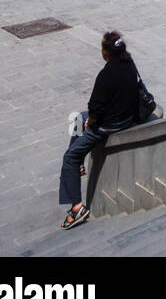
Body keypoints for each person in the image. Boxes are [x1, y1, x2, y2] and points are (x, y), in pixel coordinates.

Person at [59, 30, 141, 229]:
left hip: (110, 124)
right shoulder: (129, 64)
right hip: (129, 115)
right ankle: (80, 165)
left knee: (70, 155)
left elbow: (95, 109)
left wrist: (92, 122)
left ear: (106, 52)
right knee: (79, 117)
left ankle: (77, 208)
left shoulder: (106, 75)